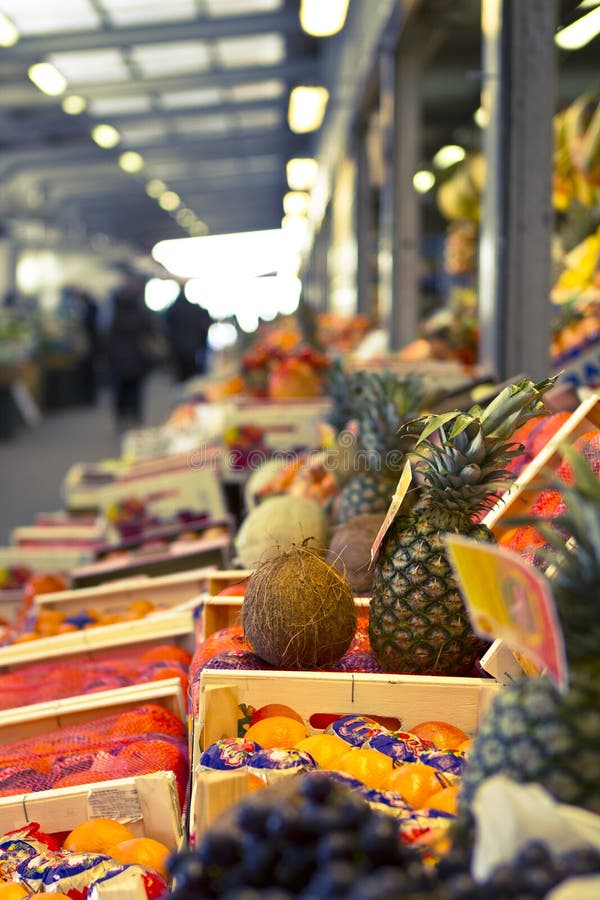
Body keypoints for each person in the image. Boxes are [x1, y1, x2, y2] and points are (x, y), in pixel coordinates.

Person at [104, 270, 158, 430]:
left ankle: (122, 419)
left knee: (120, 390)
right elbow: (151, 332)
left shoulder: (113, 311)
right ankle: (134, 419)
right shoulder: (141, 311)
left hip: (118, 357)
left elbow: (105, 334)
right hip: (136, 356)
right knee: (135, 389)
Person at [164, 287, 213, 382]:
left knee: (181, 377)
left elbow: (165, 328)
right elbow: (206, 323)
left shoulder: (173, 309)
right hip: (195, 348)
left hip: (178, 348)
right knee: (194, 377)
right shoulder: (195, 309)